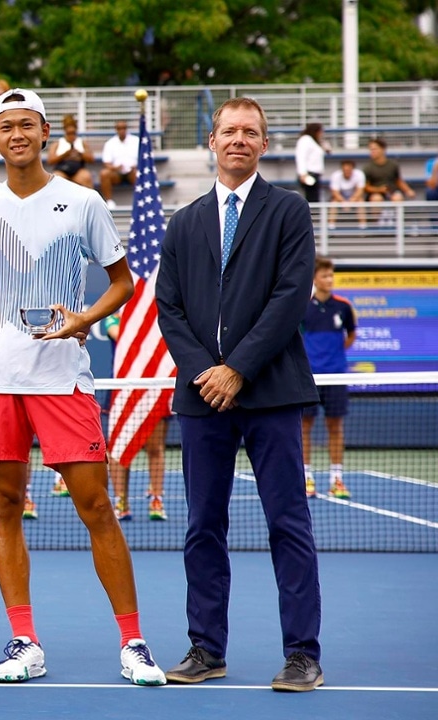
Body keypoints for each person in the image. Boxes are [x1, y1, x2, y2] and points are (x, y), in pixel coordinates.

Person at [0, 88, 165, 686]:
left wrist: (83, 320)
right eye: (7, 126)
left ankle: (133, 642)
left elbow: (122, 282)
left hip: (61, 381)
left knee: (97, 507)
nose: (17, 134)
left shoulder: (83, 203)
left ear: (45, 133)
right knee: (2, 506)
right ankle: (24, 640)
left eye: (28, 124)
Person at [155, 97, 324, 692]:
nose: (239, 140)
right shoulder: (185, 221)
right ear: (211, 140)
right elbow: (168, 309)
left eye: (250, 132)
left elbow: (289, 299)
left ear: (263, 143)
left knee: (288, 524)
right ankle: (207, 649)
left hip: (272, 394)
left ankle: (303, 655)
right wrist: (208, 372)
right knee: (204, 526)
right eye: (229, 131)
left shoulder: (289, 211)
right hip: (203, 399)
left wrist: (239, 370)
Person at [103, 313, 167, 521]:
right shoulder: (112, 320)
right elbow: (121, 335)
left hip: (154, 389)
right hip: (124, 391)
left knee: (155, 448)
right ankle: (121, 501)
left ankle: (156, 498)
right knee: (119, 449)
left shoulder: (154, 318)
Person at [301, 256, 356, 500]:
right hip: (309, 377)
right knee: (304, 427)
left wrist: (334, 356)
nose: (329, 279)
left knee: (335, 426)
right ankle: (305, 478)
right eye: (324, 275)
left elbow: (351, 335)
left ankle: (336, 479)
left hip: (335, 376)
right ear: (314, 278)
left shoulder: (343, 306)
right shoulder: (302, 306)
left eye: (331, 275)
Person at [363, 137, 416, 224]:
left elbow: (398, 180)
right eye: (370, 149)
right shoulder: (368, 168)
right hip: (375, 193)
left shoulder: (393, 165)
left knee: (398, 197)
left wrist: (408, 190)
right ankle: (376, 225)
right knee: (376, 199)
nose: (372, 151)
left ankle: (398, 225)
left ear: (383, 149)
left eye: (374, 149)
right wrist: (378, 190)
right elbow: (366, 187)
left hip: (392, 192)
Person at [99, 120, 140, 210]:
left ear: (127, 129)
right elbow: (106, 163)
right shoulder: (110, 143)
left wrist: (137, 166)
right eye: (119, 128)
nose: (122, 130)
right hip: (116, 173)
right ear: (116, 129)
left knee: (140, 174)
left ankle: (140, 201)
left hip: (132, 172)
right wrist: (114, 168)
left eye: (124, 128)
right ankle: (109, 201)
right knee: (104, 174)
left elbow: (144, 159)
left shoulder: (136, 141)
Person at [46, 114, 94, 190]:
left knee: (86, 177)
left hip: (78, 169)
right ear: (65, 132)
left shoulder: (82, 143)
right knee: (57, 179)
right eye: (69, 133)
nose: (71, 136)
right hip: (62, 169)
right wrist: (65, 154)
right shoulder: (57, 144)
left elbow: (91, 159)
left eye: (73, 133)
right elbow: (50, 160)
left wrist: (80, 154)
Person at [294, 122, 329, 205]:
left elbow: (328, 150)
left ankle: (314, 216)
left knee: (315, 198)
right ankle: (310, 216)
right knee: (311, 198)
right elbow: (301, 157)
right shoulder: (305, 140)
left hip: (316, 175)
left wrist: (322, 142)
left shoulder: (315, 142)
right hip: (308, 174)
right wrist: (302, 173)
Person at [328, 159, 366, 229]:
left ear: (352, 169)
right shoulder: (336, 176)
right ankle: (331, 226)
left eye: (349, 169)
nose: (347, 171)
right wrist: (343, 202)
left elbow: (360, 191)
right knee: (333, 203)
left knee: (361, 202)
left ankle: (362, 226)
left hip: (355, 198)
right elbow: (335, 192)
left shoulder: (359, 174)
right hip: (340, 198)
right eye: (345, 169)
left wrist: (351, 201)